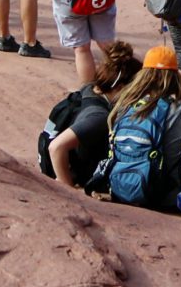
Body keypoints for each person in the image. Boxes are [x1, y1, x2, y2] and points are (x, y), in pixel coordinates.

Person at [101, 44, 181, 208]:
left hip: (118, 185)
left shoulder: (125, 104)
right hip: (159, 192)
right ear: (173, 76)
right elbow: (175, 153)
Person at [42, 42, 142, 192]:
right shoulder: (98, 117)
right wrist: (67, 188)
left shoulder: (91, 88)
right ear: (120, 88)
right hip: (77, 174)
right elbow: (56, 147)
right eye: (136, 89)